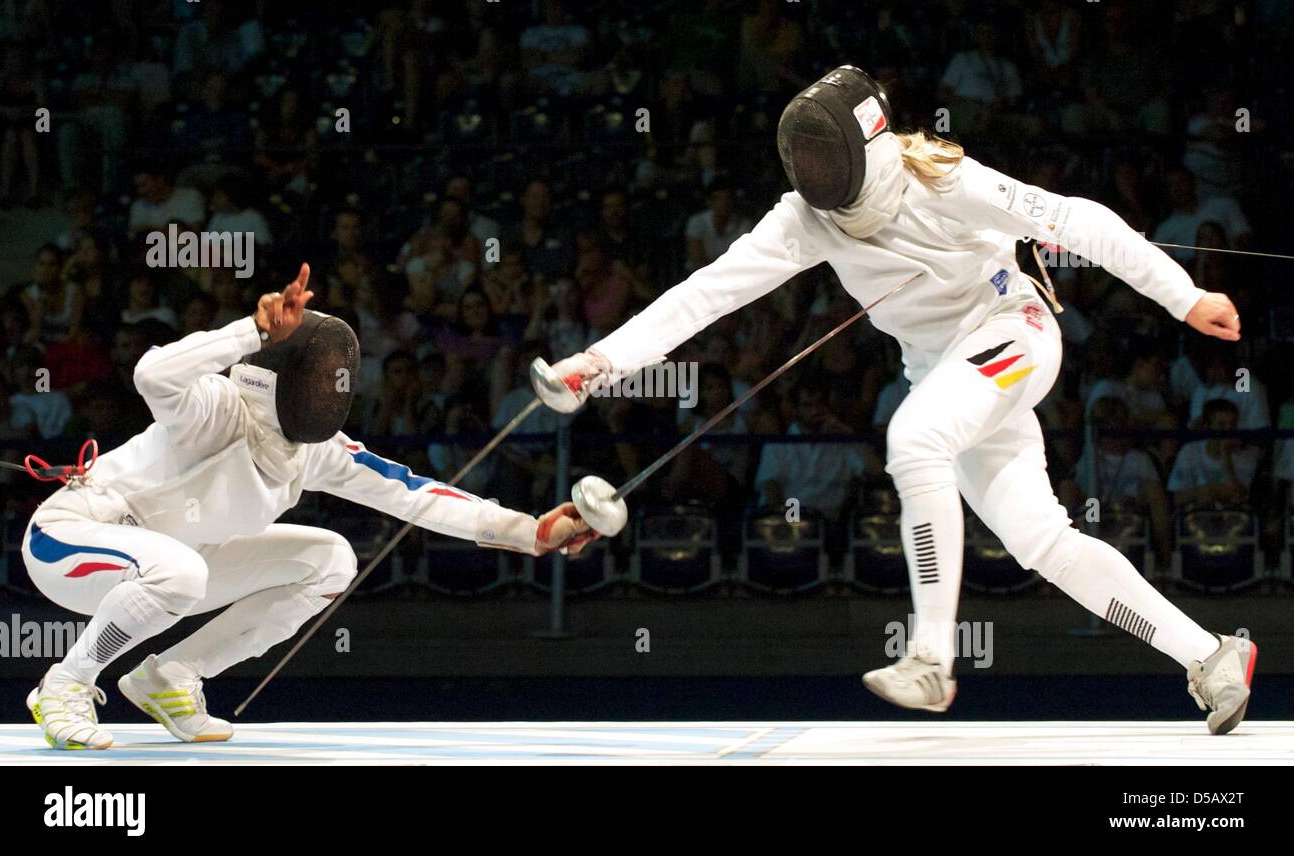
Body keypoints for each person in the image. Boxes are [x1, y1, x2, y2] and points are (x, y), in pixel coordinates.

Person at [532, 66, 1256, 734]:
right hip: (946, 376)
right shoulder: (806, 217)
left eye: (828, 155)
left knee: (914, 438)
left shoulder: (942, 181)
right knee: (1040, 540)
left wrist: (1184, 296)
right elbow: (706, 294)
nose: (818, 172)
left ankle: (931, 657)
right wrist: (599, 362)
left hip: (1014, 333)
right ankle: (1211, 654)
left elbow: (1075, 221)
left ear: (866, 146)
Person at [22, 265, 594, 751]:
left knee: (330, 562)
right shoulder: (215, 408)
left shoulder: (317, 450)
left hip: (172, 568)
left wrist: (527, 531)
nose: (327, 391)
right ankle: (66, 684)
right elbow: (151, 372)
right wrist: (251, 330)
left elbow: (413, 493)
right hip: (69, 542)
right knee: (181, 571)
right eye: (316, 378)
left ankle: (171, 676)